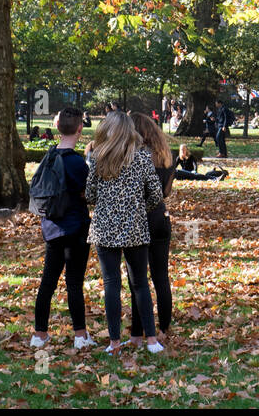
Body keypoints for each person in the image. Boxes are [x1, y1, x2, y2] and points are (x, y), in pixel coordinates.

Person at [85, 111, 164, 354]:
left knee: (111, 284)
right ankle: (151, 340)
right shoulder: (141, 158)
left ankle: (114, 342)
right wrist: (140, 207)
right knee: (140, 282)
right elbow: (156, 194)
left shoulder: (99, 159)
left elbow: (89, 195)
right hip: (135, 228)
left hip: (105, 227)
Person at [30, 108, 95, 351]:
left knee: (47, 281)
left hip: (52, 226)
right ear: (80, 129)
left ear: (58, 128)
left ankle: (39, 334)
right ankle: (80, 335)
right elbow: (89, 193)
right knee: (74, 282)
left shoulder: (48, 158)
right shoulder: (78, 163)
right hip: (76, 227)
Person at [128, 113, 174, 348]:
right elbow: (165, 192)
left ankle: (139, 330)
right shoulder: (166, 156)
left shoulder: (136, 158)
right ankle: (164, 326)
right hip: (161, 217)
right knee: (160, 276)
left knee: (138, 278)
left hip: (141, 217)